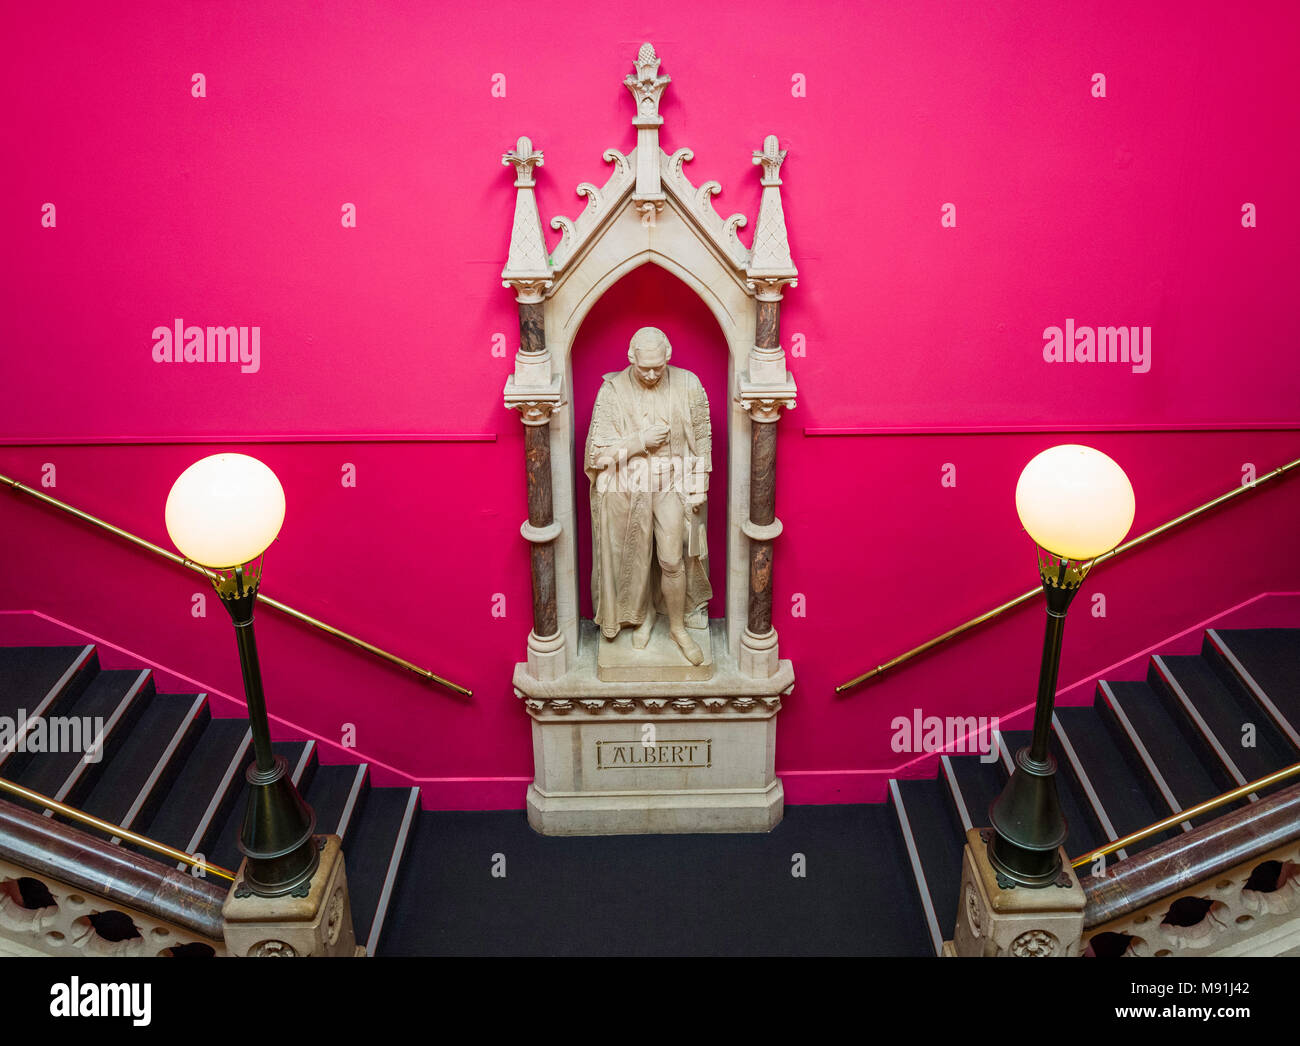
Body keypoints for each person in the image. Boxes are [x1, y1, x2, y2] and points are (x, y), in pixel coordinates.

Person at [584, 326, 712, 664]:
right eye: (645, 368)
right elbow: (598, 456)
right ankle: (643, 617)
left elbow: (701, 437)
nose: (653, 374)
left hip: (671, 483)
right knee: (636, 561)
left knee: (671, 559)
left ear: (668, 357)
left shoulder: (688, 384)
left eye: (659, 366)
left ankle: (676, 626)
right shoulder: (612, 391)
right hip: (627, 489)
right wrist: (641, 440)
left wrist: (700, 485)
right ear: (631, 359)